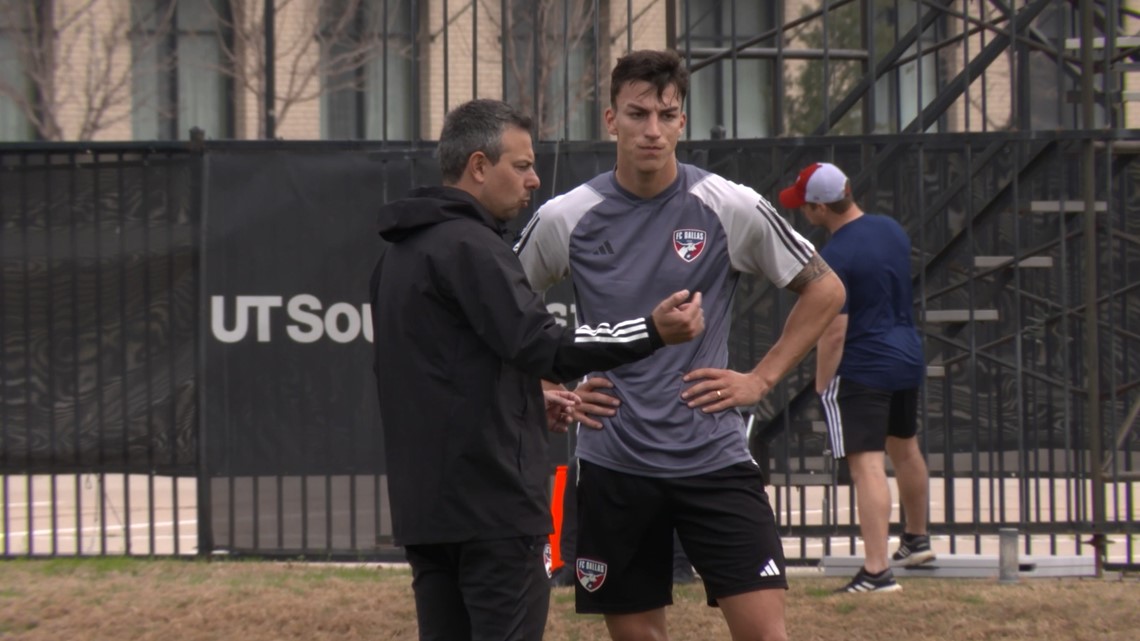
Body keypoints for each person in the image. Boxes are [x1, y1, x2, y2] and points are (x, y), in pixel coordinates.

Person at [515, 51, 846, 641]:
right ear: (610, 119)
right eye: (637, 114)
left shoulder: (728, 204)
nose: (652, 130)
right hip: (615, 463)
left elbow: (826, 289)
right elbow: (500, 310)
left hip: (714, 458)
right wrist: (547, 385)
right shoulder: (567, 216)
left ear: (682, 122)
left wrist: (760, 379)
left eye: (666, 115)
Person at [370, 98, 706, 641]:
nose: (533, 181)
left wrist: (525, 397)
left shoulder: (399, 254)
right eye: (522, 165)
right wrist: (651, 330)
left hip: (427, 514)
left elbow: (440, 372)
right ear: (480, 166)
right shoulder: (472, 245)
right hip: (494, 510)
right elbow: (543, 346)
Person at [778, 161, 934, 594]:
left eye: (805, 205)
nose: (803, 212)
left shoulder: (834, 256)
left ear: (819, 208)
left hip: (863, 365)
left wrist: (822, 381)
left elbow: (834, 329)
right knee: (906, 448)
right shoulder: (892, 230)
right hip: (906, 355)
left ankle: (877, 571)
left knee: (866, 464)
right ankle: (917, 539)